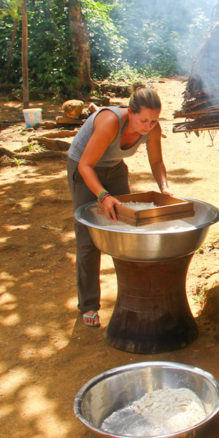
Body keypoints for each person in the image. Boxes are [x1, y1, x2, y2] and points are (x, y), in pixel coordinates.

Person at [66, 85, 173, 327]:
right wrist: (103, 196)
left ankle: (131, 296)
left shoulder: (152, 128)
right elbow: (85, 166)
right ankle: (89, 304)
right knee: (88, 237)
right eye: (144, 120)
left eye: (154, 121)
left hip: (114, 167)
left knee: (126, 228)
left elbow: (156, 160)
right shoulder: (110, 123)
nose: (148, 126)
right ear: (130, 112)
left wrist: (164, 187)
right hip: (84, 167)